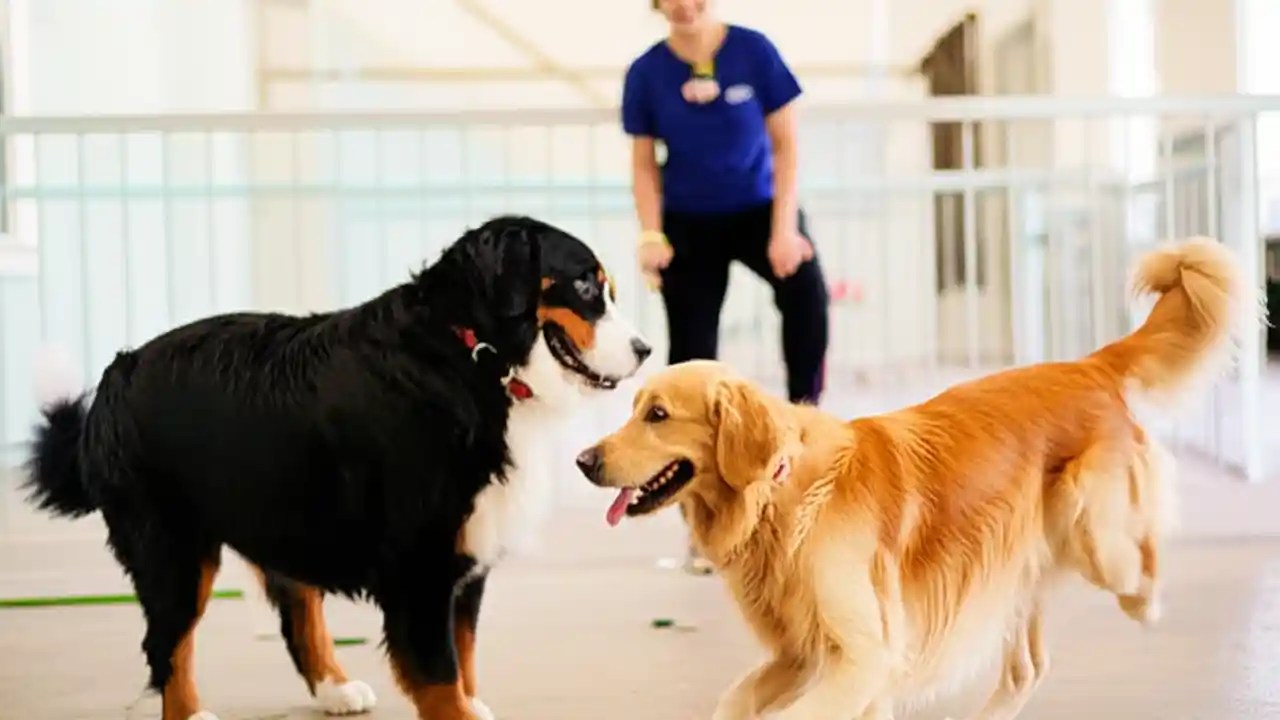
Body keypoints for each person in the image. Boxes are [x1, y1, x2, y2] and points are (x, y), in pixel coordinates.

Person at [622, 0, 830, 574]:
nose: (686, 7)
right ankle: (700, 520)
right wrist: (651, 233)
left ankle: (807, 443)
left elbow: (786, 144)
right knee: (690, 354)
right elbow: (644, 164)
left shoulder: (753, 50)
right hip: (690, 220)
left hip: (760, 208)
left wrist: (785, 228)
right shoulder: (647, 72)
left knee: (808, 298)